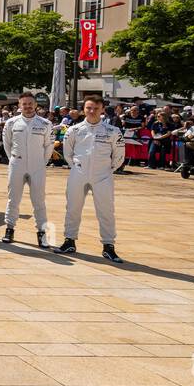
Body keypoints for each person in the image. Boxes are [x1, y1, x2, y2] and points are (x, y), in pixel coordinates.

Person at [56, 96, 126, 262]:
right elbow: (68, 153)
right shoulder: (74, 130)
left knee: (106, 211)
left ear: (102, 109)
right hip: (78, 174)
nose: (92, 111)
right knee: (72, 207)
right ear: (83, 109)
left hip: (103, 176)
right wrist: (76, 167)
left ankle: (108, 246)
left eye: (95, 108)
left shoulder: (113, 131)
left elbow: (119, 155)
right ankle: (69, 240)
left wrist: (109, 169)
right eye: (88, 108)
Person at [1, 92, 54, 247]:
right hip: (17, 164)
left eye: (30, 103)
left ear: (36, 105)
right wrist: (14, 159)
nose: (28, 107)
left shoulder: (45, 124)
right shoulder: (11, 123)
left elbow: (48, 146)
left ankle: (42, 233)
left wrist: (41, 162)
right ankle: (9, 228)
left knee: (39, 201)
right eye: (24, 104)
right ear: (19, 105)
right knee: (13, 199)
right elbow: (7, 145)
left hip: (37, 166)